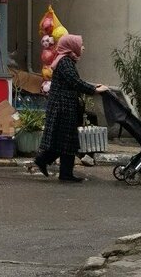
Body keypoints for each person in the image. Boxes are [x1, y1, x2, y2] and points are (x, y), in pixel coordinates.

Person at [31, 34, 109, 182]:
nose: (83, 47)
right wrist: (94, 90)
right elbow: (75, 82)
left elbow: (74, 82)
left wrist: (93, 87)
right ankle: (60, 170)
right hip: (63, 106)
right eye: (80, 45)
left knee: (66, 140)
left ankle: (52, 165)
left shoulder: (66, 61)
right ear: (71, 46)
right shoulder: (65, 62)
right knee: (67, 140)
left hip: (64, 105)